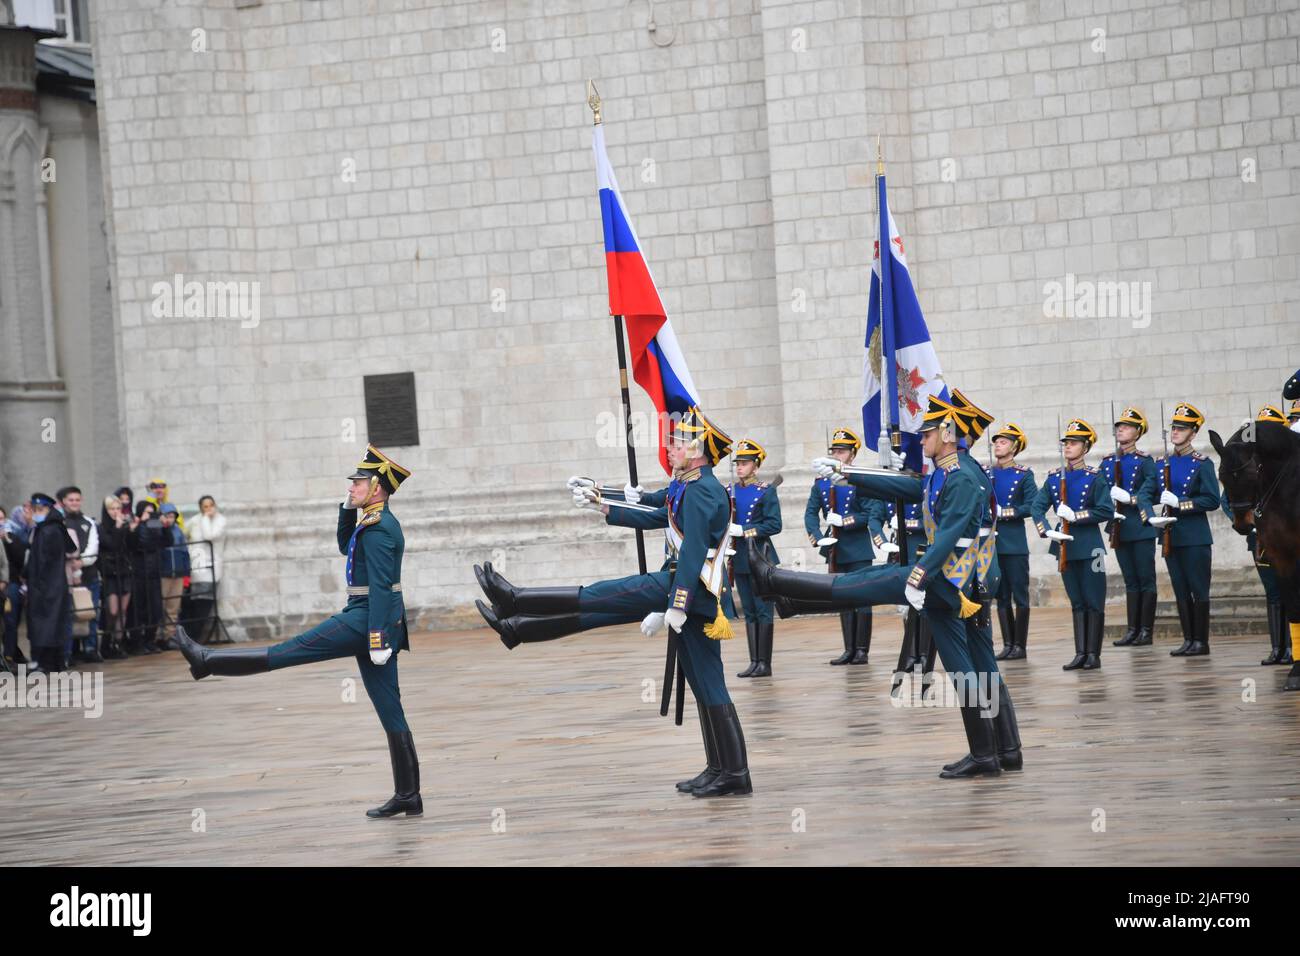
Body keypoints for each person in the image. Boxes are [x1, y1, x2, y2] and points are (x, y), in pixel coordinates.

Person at [474, 406, 753, 798]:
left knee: (603, 594)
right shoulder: (689, 484)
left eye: (677, 442)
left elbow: (692, 551)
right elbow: (654, 511)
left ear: (698, 450)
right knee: (706, 683)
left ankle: (516, 598)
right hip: (687, 591)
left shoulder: (704, 490)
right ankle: (725, 768)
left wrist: (676, 601)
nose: (670, 447)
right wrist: (601, 498)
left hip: (689, 589)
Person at [753, 395, 1024, 779]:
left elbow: (949, 534)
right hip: (965, 583)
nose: (922, 440)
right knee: (982, 667)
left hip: (951, 583)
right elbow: (911, 489)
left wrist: (918, 574)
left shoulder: (961, 476)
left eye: (928, 433)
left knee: (872, 585)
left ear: (948, 434)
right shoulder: (954, 469)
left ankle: (983, 755)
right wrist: (848, 474)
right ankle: (1006, 750)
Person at [176, 445, 420, 819]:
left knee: (289, 651)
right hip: (369, 618)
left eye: (358, 483)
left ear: (378, 488)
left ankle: (207, 661)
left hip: (365, 620)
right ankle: (409, 796)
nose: (352, 487)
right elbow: (345, 546)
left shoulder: (380, 528)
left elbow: (383, 587)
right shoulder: (371, 522)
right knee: (390, 710)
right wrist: (346, 507)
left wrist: (376, 638)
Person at [1030, 419, 1114, 671]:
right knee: (1077, 601)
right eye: (1066, 442)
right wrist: (1046, 530)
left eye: (1074, 443)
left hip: (1090, 547)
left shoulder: (1095, 477)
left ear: (1085, 448)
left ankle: (1093, 654)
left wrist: (1076, 516)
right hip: (1065, 546)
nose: (1068, 446)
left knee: (1093, 600)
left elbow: (1105, 510)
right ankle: (1080, 652)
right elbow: (1037, 506)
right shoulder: (1055, 478)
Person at [803, 427, 879, 665]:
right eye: (834, 451)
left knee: (863, 598)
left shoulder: (860, 481)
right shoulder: (821, 483)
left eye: (842, 451)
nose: (837, 455)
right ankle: (848, 649)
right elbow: (810, 514)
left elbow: (870, 514)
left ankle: (862, 650)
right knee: (843, 598)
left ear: (852, 455)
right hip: (836, 549)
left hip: (857, 548)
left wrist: (846, 521)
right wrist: (817, 536)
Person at [1153, 402, 1221, 657]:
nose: (1176, 432)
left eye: (1182, 429)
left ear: (1193, 433)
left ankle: (1201, 641)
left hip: (1194, 536)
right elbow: (1149, 494)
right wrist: (1149, 515)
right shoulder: (1161, 463)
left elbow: (1212, 499)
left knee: (1198, 588)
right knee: (1180, 588)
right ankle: (1188, 639)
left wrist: (1181, 503)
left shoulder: (1202, 464)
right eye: (1174, 428)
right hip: (1170, 535)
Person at [1100, 408, 1161, 649]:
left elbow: (1154, 491)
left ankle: (1146, 630)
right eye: (1119, 426)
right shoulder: (1107, 462)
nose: (1120, 429)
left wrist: (1130, 499)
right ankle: (1132, 629)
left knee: (1146, 579)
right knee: (1130, 581)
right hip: (1119, 527)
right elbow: (1100, 489)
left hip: (1141, 525)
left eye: (1126, 426)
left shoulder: (1145, 462)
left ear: (1138, 432)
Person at [727, 439, 782, 678]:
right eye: (738, 463)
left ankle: (765, 663)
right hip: (739, 558)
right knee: (748, 610)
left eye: (745, 463)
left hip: (760, 557)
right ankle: (754, 661)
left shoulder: (765, 491)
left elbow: (774, 524)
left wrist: (745, 530)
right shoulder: (729, 492)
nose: (740, 467)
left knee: (763, 610)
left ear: (756, 466)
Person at [988, 423, 1037, 659]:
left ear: (1015, 447)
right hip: (993, 544)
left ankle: (1020, 645)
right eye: (997, 441)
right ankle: (1008, 644)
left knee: (1020, 595)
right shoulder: (987, 473)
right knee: (1001, 596)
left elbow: (1032, 505)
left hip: (1014, 543)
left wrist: (1007, 512)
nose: (998, 444)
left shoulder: (1024, 475)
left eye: (1004, 441)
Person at [25, 493, 77, 673]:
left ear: (48, 510)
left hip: (47, 585)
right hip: (48, 585)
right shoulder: (50, 527)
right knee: (51, 624)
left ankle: (49, 663)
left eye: (40, 510)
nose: (37, 513)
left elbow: (44, 561)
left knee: (48, 625)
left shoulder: (50, 530)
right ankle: (54, 662)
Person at [58, 486, 102, 664]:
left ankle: (91, 649)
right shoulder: (60, 523)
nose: (74, 503)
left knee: (90, 614)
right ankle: (70, 652)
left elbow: (93, 547)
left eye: (77, 499)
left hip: (88, 575)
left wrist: (81, 561)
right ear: (63, 502)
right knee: (69, 615)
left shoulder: (88, 522)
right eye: (71, 500)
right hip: (67, 577)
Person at [97, 495, 133, 660]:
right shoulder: (101, 527)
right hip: (110, 573)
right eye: (112, 509)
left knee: (122, 610)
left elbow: (130, 545)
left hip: (124, 571)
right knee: (112, 610)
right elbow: (111, 544)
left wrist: (131, 529)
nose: (116, 512)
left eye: (118, 508)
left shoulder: (124, 526)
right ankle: (106, 641)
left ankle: (118, 642)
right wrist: (119, 528)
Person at [129, 499, 164, 654]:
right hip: (138, 573)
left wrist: (165, 527)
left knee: (155, 609)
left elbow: (163, 542)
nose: (151, 516)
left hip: (154, 573)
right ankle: (137, 642)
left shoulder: (154, 526)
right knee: (139, 609)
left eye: (152, 512)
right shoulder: (137, 526)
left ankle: (150, 640)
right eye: (148, 512)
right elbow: (138, 543)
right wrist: (141, 524)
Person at [2, 503, 31, 667]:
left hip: (10, 584)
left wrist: (8, 541)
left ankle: (10, 655)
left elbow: (20, 559)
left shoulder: (12, 537)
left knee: (11, 621)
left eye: (1, 519)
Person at [158, 503, 190, 640]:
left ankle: (169, 635)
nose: (170, 519)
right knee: (160, 605)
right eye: (167, 516)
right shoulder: (158, 530)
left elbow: (184, 552)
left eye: (172, 516)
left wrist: (186, 572)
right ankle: (157, 636)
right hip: (163, 573)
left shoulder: (178, 531)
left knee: (174, 607)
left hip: (177, 573)